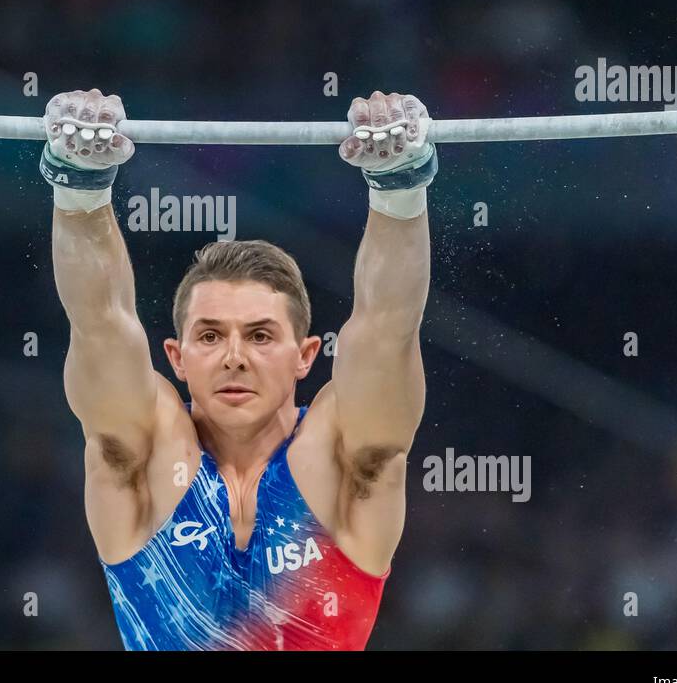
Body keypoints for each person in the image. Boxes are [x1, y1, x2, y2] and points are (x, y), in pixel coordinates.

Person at [43, 88, 436, 650]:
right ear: (175, 358)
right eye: (210, 336)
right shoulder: (148, 446)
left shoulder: (342, 451)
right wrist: (79, 188)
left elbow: (388, 328)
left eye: (260, 335)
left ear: (305, 356)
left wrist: (400, 189)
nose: (235, 357)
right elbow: (99, 323)